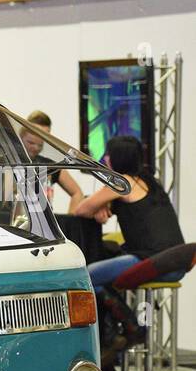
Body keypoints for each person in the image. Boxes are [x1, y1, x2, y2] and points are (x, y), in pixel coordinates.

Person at [74, 135, 185, 289]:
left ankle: (119, 313)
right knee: (101, 277)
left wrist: (100, 204)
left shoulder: (122, 182)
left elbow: (81, 210)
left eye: (108, 154)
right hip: (175, 263)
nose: (105, 158)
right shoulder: (149, 181)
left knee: (85, 276)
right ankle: (117, 311)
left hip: (153, 262)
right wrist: (102, 205)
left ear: (116, 159)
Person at [20, 111, 84, 212]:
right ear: (22, 135)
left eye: (40, 145)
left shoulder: (49, 165)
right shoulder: (7, 161)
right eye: (31, 142)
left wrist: (69, 223)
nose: (35, 148)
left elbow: (77, 193)